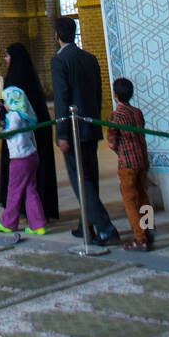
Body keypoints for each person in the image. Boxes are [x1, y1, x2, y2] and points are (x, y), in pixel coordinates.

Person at [51, 16, 119, 244]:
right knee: (90, 176)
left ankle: (106, 228)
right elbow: (98, 93)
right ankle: (86, 225)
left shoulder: (59, 61)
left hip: (72, 130)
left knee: (81, 180)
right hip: (89, 126)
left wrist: (61, 133)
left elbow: (62, 98)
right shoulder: (89, 58)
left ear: (57, 36)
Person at [0, 42, 59, 220]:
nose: (5, 59)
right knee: (32, 183)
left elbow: (10, 110)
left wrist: (2, 114)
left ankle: (11, 218)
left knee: (17, 181)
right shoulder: (30, 78)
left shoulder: (13, 81)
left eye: (8, 56)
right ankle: (37, 217)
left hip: (20, 140)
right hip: (34, 138)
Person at [0, 86, 45, 235]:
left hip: (20, 159)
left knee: (14, 191)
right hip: (32, 156)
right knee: (31, 190)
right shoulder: (26, 114)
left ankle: (8, 223)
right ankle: (37, 224)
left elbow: (11, 132)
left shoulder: (13, 116)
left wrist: (0, 132)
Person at [107, 77, 151, 251]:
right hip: (142, 159)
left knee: (130, 200)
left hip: (127, 163)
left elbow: (112, 141)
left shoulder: (117, 115)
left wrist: (118, 149)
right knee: (143, 196)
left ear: (115, 94)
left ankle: (140, 238)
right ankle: (149, 229)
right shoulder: (137, 112)